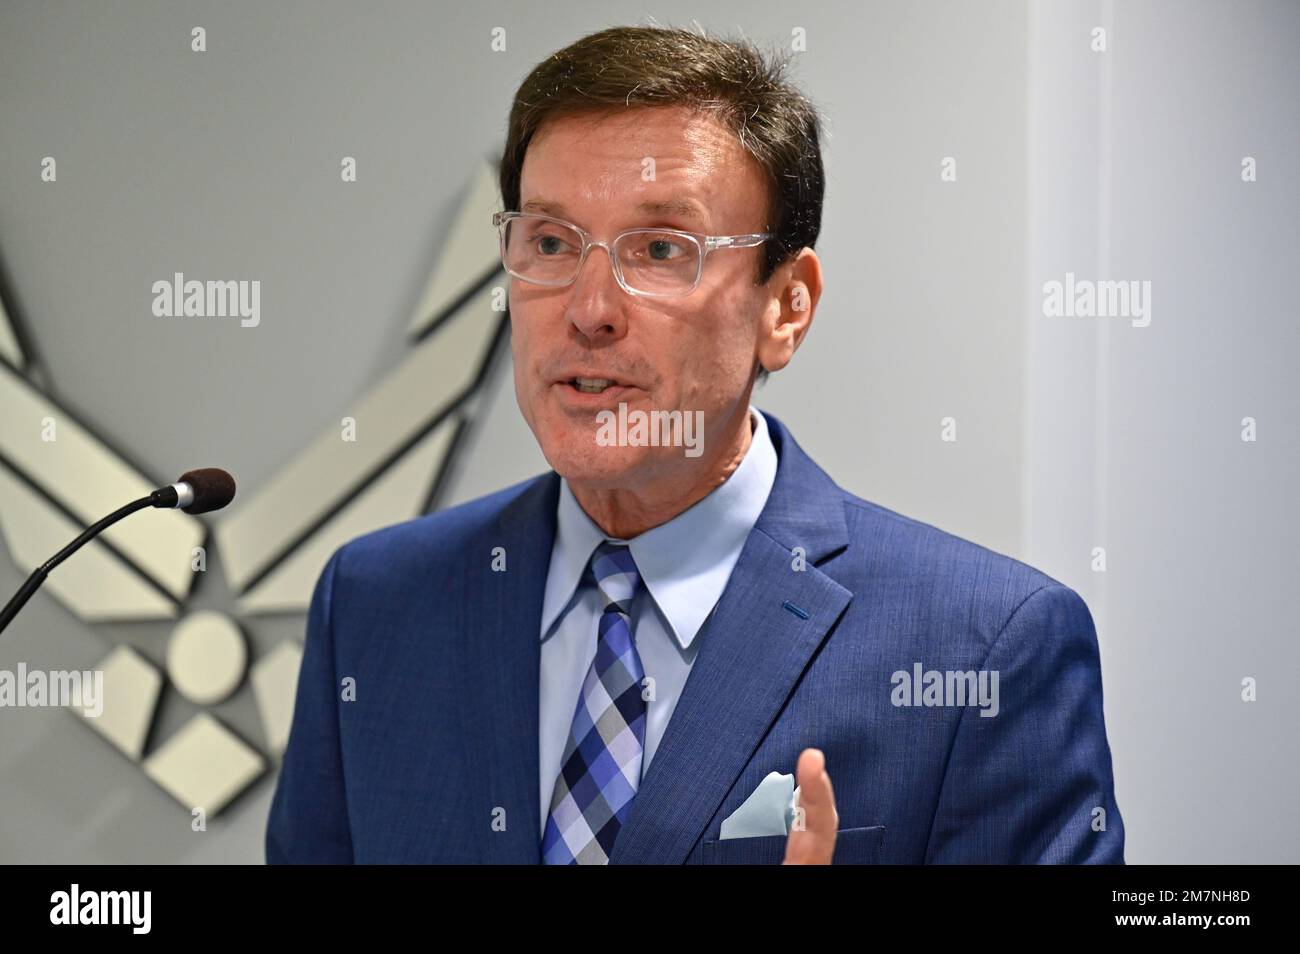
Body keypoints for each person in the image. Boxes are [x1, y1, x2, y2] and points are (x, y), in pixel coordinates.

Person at [266, 25, 1124, 865]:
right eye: (552, 243)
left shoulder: (984, 648)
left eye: (662, 249)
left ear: (785, 306)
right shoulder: (377, 605)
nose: (588, 307)